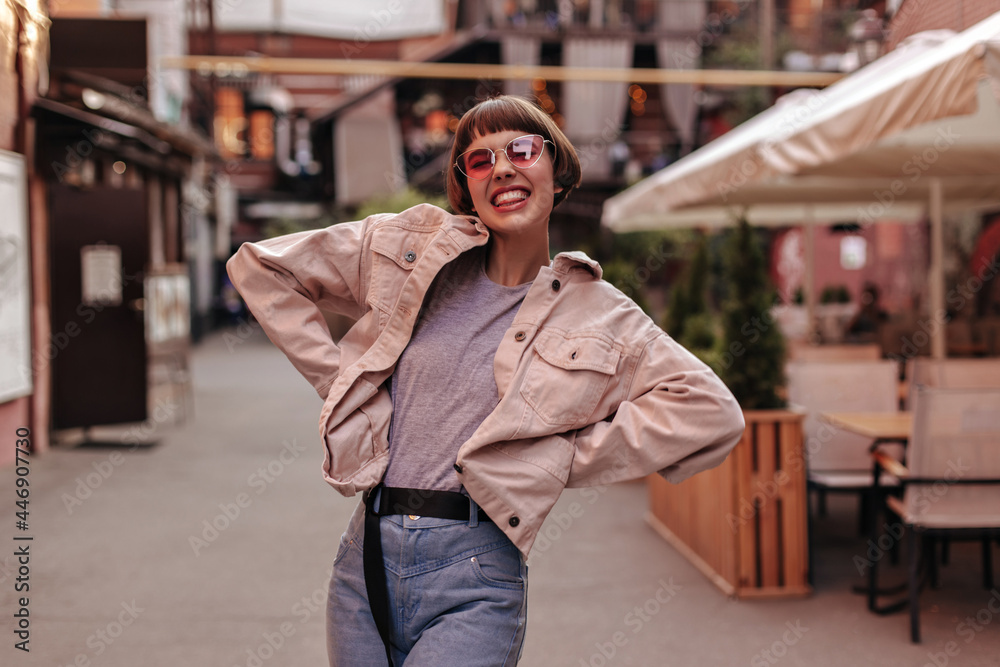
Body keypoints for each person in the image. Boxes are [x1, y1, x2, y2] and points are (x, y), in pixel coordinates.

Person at [227, 95, 745, 667]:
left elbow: (710, 412)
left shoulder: (602, 315)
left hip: (477, 571)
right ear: (467, 184)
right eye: (480, 159)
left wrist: (558, 460)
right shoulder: (412, 254)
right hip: (364, 559)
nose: (502, 167)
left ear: (557, 169)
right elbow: (261, 268)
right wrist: (343, 385)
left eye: (522, 149)